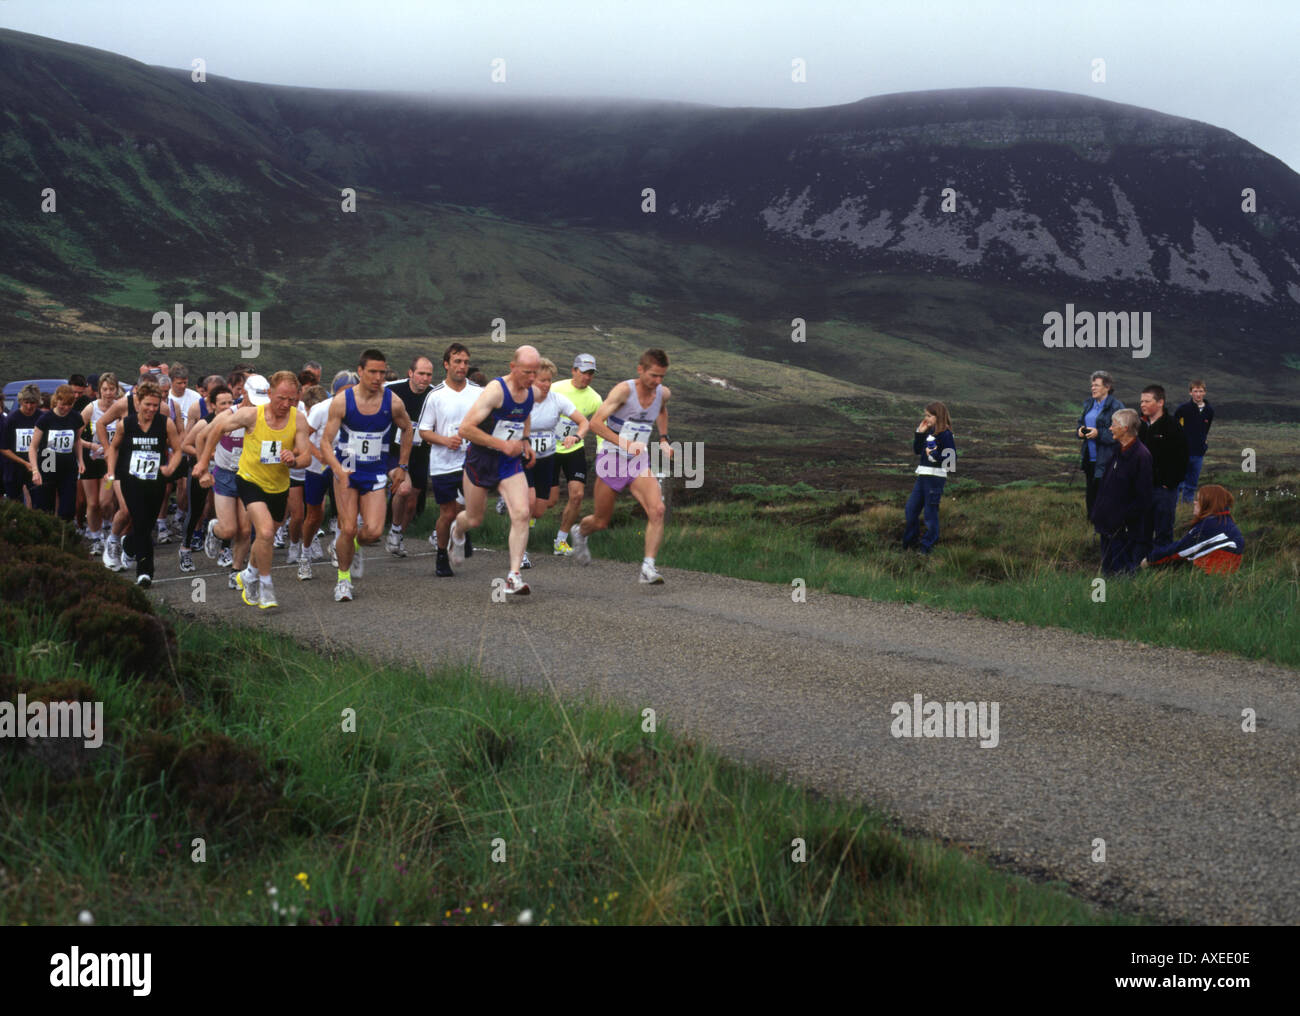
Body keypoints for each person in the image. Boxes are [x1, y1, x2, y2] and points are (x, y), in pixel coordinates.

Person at [194, 371, 313, 609]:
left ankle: (249, 573)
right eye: (280, 398)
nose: (285, 404)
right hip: (249, 480)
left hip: (279, 486)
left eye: (291, 400)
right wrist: (203, 463)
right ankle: (265, 586)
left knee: (266, 537)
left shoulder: (297, 419)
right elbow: (216, 430)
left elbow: (306, 455)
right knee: (265, 532)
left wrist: (294, 460)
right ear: (269, 394)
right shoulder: (251, 414)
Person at [318, 350, 414, 603]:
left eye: (382, 372)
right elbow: (326, 442)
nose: (378, 377)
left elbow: (408, 429)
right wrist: (338, 470)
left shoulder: (392, 402)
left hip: (375, 469)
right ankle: (343, 580)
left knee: (372, 532)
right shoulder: (342, 401)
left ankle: (351, 548)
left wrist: (402, 466)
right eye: (372, 371)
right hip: (347, 467)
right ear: (360, 371)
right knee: (348, 527)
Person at [569, 349, 673, 584]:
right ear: (640, 369)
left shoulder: (662, 393)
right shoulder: (624, 391)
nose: (657, 382)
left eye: (662, 377)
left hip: (638, 460)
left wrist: (664, 438)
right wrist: (625, 443)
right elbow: (595, 423)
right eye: (653, 376)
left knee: (657, 510)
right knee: (601, 520)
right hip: (612, 458)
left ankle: (648, 568)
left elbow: (662, 409)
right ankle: (580, 532)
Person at [450, 345, 539, 594]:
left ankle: (513, 575)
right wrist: (502, 444)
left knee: (522, 513)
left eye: (535, 372)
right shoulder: (496, 391)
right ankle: (456, 532)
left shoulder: (530, 390)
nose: (531, 378)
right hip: (481, 461)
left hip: (509, 464)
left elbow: (525, 414)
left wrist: (526, 441)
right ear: (513, 367)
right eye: (526, 372)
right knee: (474, 519)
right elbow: (465, 429)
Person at [104, 381, 183, 587]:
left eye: (155, 405)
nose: (151, 409)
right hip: (131, 480)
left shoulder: (165, 423)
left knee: (146, 525)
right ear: (138, 403)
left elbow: (178, 449)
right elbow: (113, 448)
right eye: (147, 404)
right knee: (139, 522)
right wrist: (111, 472)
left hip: (155, 481)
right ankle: (144, 572)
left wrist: (170, 467)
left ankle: (128, 543)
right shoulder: (126, 424)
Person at [417, 344, 481, 578]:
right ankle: (442, 556)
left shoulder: (478, 392)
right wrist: (445, 440)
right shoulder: (436, 396)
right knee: (447, 512)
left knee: (468, 511)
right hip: (443, 462)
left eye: (465, 362)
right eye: (457, 361)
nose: (462, 366)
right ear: (446, 364)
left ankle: (460, 533)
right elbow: (424, 431)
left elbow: (488, 421)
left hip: (471, 462)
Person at [550, 354, 602, 556]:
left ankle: (560, 541)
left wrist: (601, 453)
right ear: (574, 371)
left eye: (591, 374)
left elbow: (600, 426)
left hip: (574, 449)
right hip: (550, 449)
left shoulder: (595, 399)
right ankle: (526, 526)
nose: (587, 377)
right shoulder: (556, 388)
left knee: (577, 495)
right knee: (549, 501)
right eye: (584, 373)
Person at [1090, 408, 1152, 576]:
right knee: (1107, 571)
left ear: (1125, 428)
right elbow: (1106, 488)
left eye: (1114, 424)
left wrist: (1123, 521)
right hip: (1108, 526)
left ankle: (1125, 601)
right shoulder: (1117, 451)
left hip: (1124, 531)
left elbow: (1143, 498)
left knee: (1123, 573)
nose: (1110, 428)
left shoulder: (1141, 456)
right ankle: (1104, 601)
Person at [385, 355, 436, 557]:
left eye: (428, 374)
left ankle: (397, 535)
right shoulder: (392, 389)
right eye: (421, 374)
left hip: (420, 451)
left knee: (413, 501)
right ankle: (394, 529)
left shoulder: (434, 395)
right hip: (394, 449)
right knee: (404, 489)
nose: (424, 378)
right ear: (411, 373)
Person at [1143, 485, 1243, 574]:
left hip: (1212, 573)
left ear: (1209, 504)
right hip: (1223, 571)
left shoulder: (1209, 525)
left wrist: (1150, 560)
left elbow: (1181, 549)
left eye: (1199, 500)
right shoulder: (1223, 521)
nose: (1194, 502)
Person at [1138, 384, 1189, 554]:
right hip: (1142, 488)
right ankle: (1141, 566)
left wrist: (1170, 482)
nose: (1142, 404)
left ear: (1160, 402)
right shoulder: (1140, 425)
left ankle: (1162, 567)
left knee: (1163, 531)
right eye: (1141, 401)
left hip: (1163, 490)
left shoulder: (1172, 426)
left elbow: (1182, 457)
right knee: (1142, 530)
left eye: (1147, 401)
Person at [902, 402, 956, 554]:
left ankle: (926, 548)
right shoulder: (929, 432)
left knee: (930, 515)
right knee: (910, 510)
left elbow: (951, 461)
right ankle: (909, 544)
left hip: (935, 479)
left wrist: (934, 456)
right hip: (922, 477)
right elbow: (917, 450)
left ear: (938, 416)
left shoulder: (946, 434)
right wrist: (920, 433)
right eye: (925, 415)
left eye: (929, 416)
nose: (926, 418)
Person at [28, 384, 84, 521]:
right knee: (46, 507)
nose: (66, 408)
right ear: (56, 401)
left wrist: (81, 460)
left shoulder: (75, 417)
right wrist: (35, 470)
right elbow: (33, 447)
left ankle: (64, 537)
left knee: (68, 509)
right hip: (48, 462)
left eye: (69, 405)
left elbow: (77, 441)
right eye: (63, 404)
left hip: (68, 466)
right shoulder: (45, 419)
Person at [79, 373, 121, 553]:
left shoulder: (121, 408)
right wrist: (91, 445)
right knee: (93, 503)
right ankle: (96, 539)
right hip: (91, 461)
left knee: (105, 501)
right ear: (99, 390)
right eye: (105, 389)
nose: (108, 393)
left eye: (112, 389)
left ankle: (110, 530)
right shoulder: (90, 409)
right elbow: (75, 435)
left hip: (111, 462)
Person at [1076, 371, 1124, 520]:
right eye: (1092, 385)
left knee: (1104, 492)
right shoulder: (1089, 404)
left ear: (1107, 387)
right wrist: (1079, 430)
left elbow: (1120, 433)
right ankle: (1091, 521)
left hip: (1107, 458)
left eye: (1096, 385)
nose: (1093, 388)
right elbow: (1081, 423)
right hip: (1089, 456)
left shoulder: (1116, 406)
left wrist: (1099, 434)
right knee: (1091, 490)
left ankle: (1106, 522)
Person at [1174, 380, 1214, 506]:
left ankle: (1187, 508)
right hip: (1182, 452)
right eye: (1195, 391)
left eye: (1201, 391)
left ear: (1205, 392)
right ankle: (1174, 508)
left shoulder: (1209, 411)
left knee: (1192, 483)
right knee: (1178, 483)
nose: (1198, 394)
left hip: (1198, 452)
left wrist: (1204, 444)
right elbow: (1175, 427)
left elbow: (1205, 430)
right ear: (1190, 392)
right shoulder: (1182, 409)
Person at [1, 385, 42, 505]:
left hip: (35, 468)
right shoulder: (11, 419)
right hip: (14, 468)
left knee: (38, 503)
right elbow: (4, 448)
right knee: (15, 504)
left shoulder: (42, 417)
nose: (29, 406)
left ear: (37, 402)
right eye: (26, 402)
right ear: (20, 401)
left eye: (32, 402)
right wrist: (24, 463)